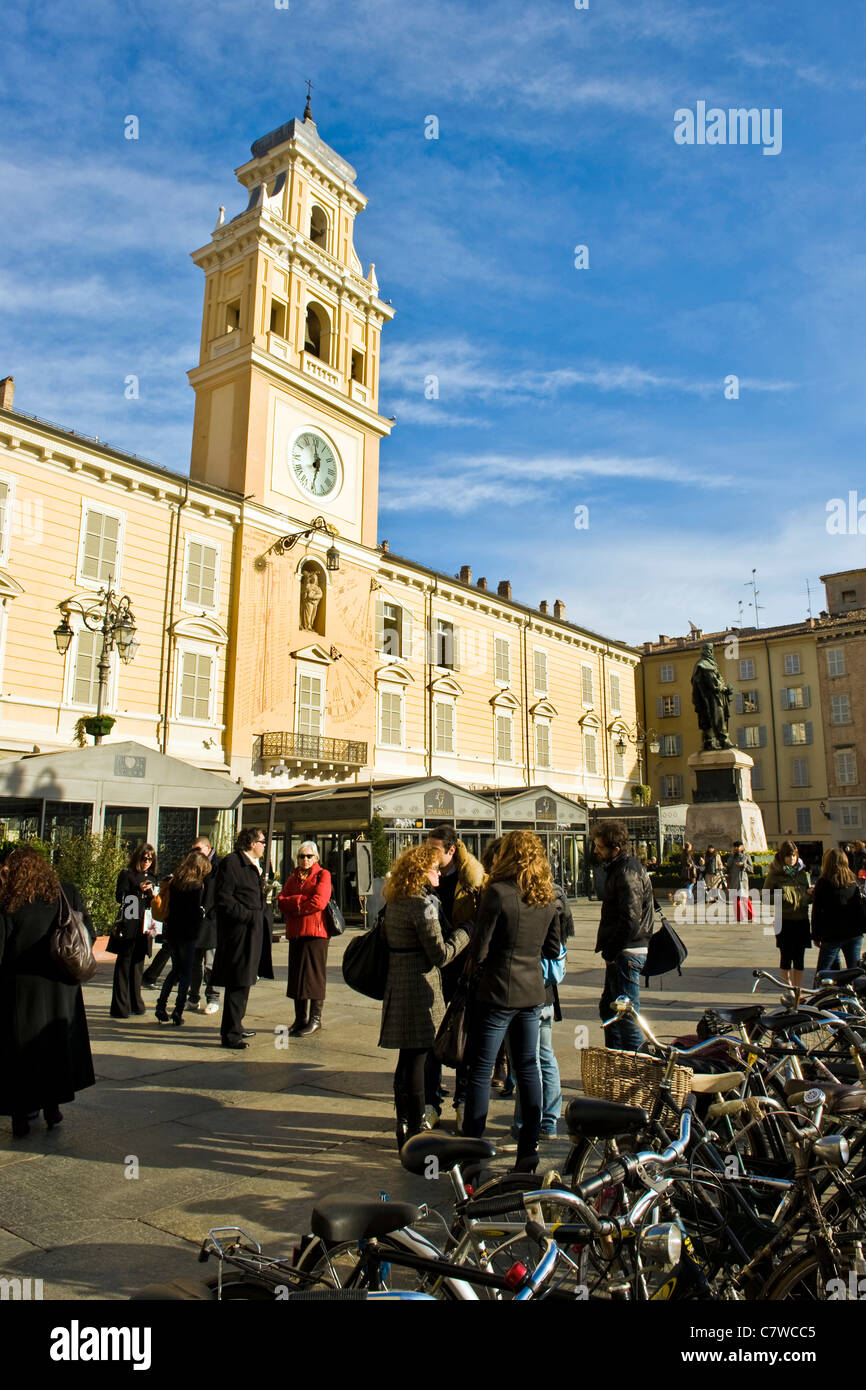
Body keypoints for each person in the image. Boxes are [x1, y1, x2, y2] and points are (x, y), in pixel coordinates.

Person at [461, 831, 560, 1168]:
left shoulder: (497, 893)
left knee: (481, 1069)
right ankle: (529, 1150)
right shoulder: (547, 898)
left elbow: (481, 947)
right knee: (528, 1065)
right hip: (532, 991)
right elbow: (552, 948)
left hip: (497, 991)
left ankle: (472, 1148)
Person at [378, 843, 470, 1150]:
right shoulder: (422, 904)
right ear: (420, 872)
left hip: (398, 983)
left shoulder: (395, 899)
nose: (440, 873)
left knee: (406, 1059)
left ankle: (403, 1120)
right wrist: (466, 933)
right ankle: (415, 1125)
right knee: (418, 1057)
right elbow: (440, 954)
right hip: (419, 987)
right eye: (434, 869)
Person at [0, 847, 95, 1138]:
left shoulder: (10, 901)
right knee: (55, 1049)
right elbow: (87, 929)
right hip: (62, 988)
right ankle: (53, 1108)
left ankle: (21, 1117)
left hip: (22, 991)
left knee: (22, 1054)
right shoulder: (66, 893)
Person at [423, 824, 485, 1129]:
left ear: (451, 850)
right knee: (431, 1036)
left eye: (436, 849)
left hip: (462, 966)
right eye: (427, 847)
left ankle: (462, 1102)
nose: (430, 853)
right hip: (433, 966)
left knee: (462, 1035)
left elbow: (478, 922)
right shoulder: (424, 878)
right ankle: (430, 1102)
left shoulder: (471, 880)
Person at [593, 818, 654, 1052]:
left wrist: (611, 951)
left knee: (626, 1013)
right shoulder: (619, 867)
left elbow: (630, 917)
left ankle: (635, 1065)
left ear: (615, 848)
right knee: (609, 1009)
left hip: (627, 950)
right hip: (623, 949)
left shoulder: (627, 871)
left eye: (600, 847)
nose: (596, 851)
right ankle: (616, 1058)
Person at [211, 828, 272, 1049]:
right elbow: (224, 898)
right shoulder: (232, 863)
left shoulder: (254, 865)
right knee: (238, 981)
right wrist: (248, 916)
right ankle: (231, 1033)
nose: (265, 845)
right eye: (263, 841)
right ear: (251, 843)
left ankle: (237, 1024)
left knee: (246, 980)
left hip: (252, 931)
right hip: (239, 933)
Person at [278, 841, 332, 1037]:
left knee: (313, 976)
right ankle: (300, 1018)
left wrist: (296, 904)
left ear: (316, 858)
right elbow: (281, 901)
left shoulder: (322, 875)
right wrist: (300, 900)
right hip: (296, 932)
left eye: (309, 856)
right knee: (297, 977)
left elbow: (319, 901)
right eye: (302, 856)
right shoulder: (293, 877)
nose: (305, 859)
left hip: (315, 933)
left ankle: (315, 1019)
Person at [154, 851, 212, 1026]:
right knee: (186, 972)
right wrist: (201, 914)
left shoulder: (175, 882)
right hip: (188, 933)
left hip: (173, 931)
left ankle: (161, 1005)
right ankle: (178, 1010)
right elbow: (194, 912)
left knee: (175, 970)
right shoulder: (196, 886)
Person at [111, 843, 158, 1018]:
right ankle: (120, 1006)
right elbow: (120, 897)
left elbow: (155, 902)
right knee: (124, 964)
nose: (147, 862)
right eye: (144, 858)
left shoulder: (152, 877)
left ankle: (136, 1002)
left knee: (138, 964)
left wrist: (153, 895)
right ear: (137, 858)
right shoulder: (127, 874)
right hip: (129, 922)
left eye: (150, 859)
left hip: (145, 925)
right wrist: (137, 891)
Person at [764, 840, 812, 1003]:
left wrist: (809, 895)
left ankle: (798, 991)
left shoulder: (802, 873)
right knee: (786, 957)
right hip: (784, 920)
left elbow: (806, 891)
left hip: (801, 919)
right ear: (782, 857)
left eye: (793, 855)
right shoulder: (775, 874)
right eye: (788, 856)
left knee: (800, 958)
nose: (791, 859)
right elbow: (765, 896)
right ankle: (788, 990)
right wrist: (781, 897)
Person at [810, 849, 866, 981]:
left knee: (823, 973)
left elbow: (816, 912)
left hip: (831, 935)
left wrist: (816, 936)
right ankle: (852, 997)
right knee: (854, 971)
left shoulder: (823, 883)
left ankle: (819, 998)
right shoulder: (852, 882)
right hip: (854, 933)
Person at [186, 836, 221, 1015]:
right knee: (194, 963)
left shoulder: (218, 866)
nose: (196, 853)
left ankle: (213, 996)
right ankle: (193, 997)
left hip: (211, 921)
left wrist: (212, 912)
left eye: (199, 849)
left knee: (210, 963)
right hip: (195, 920)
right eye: (194, 849)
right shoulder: (192, 865)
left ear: (208, 848)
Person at [726, 840, 754, 921]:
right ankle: (738, 917)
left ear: (742, 847)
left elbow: (751, 869)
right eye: (734, 847)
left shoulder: (746, 856)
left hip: (743, 880)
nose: (736, 848)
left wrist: (744, 865)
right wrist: (732, 856)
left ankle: (750, 915)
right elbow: (728, 865)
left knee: (745, 899)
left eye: (737, 847)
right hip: (734, 880)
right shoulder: (732, 856)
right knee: (736, 899)